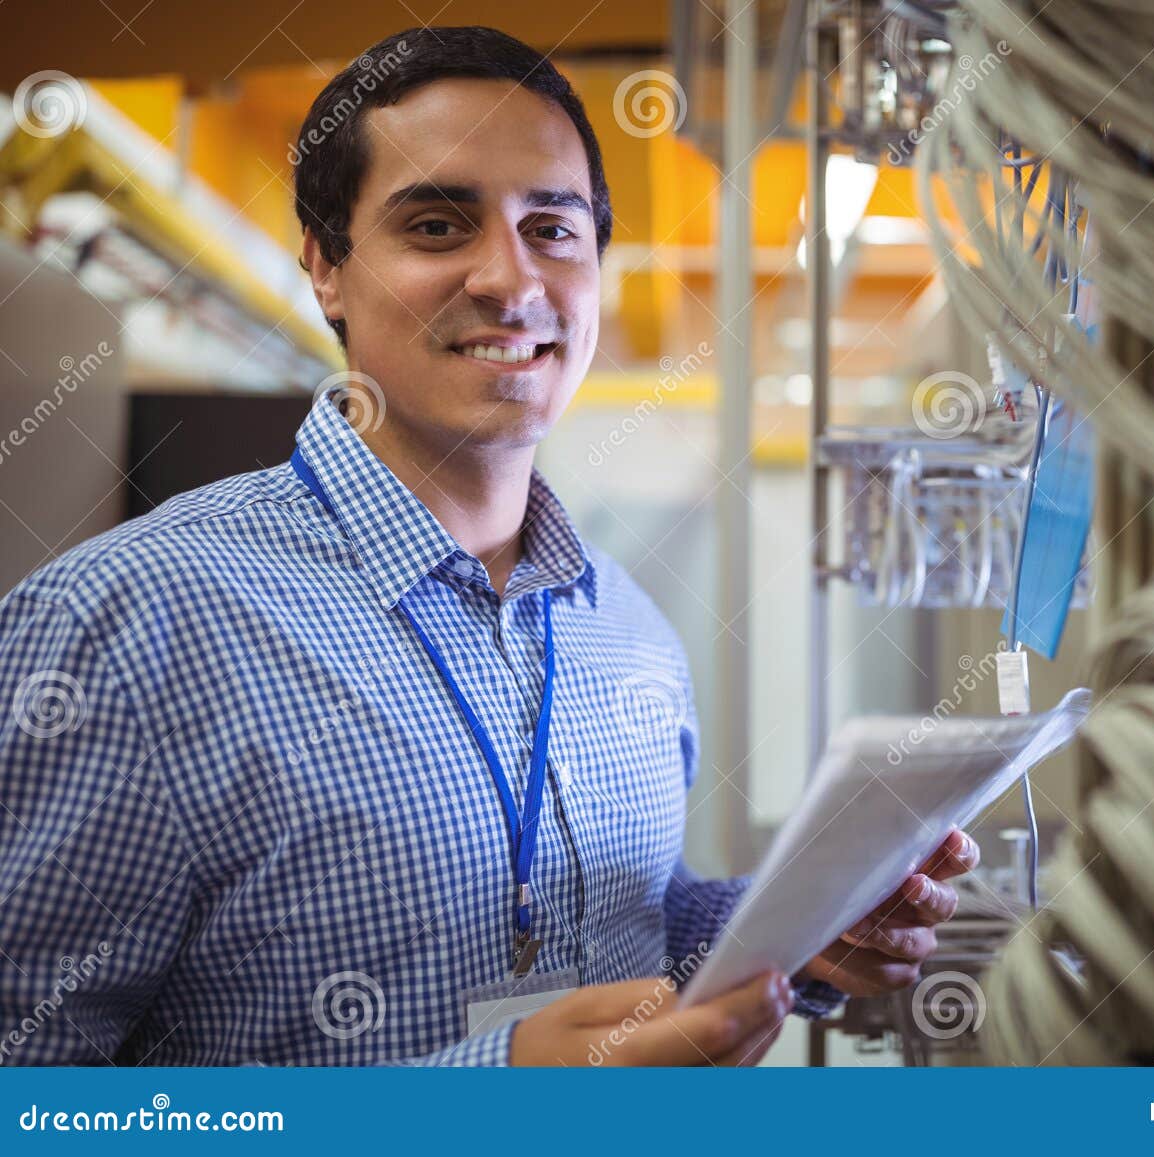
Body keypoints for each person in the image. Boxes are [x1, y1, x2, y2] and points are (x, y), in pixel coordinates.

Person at [0, 25, 977, 1067]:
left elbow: (633, 918)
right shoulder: (121, 624)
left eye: (552, 229)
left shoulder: (627, 630)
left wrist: (793, 932)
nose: (511, 281)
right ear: (326, 268)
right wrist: (488, 1090)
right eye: (435, 224)